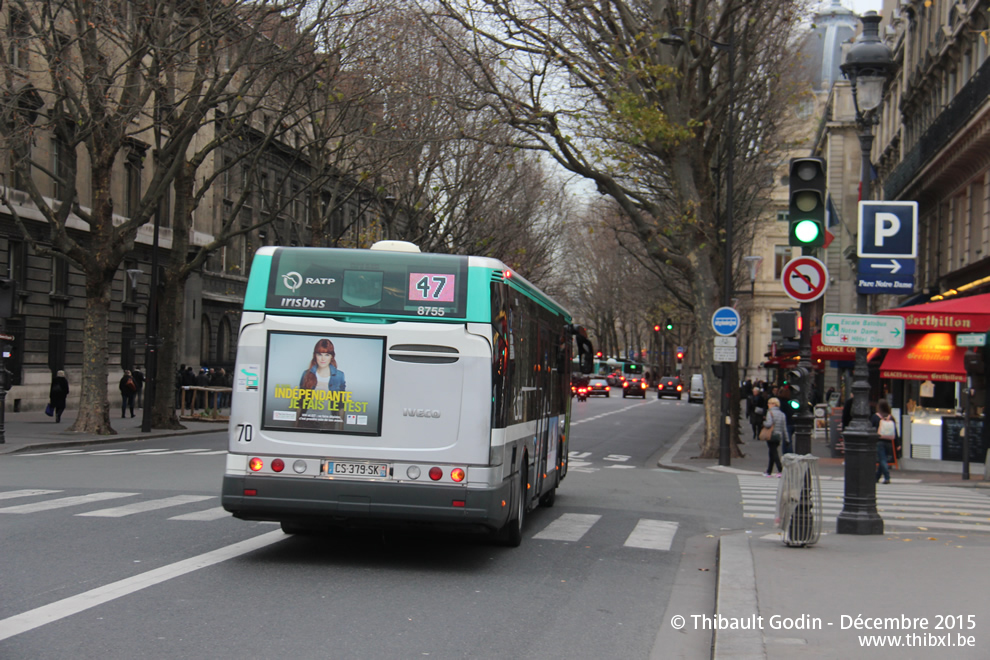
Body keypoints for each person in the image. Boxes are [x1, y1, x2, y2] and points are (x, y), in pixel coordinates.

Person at [872, 399, 898, 484]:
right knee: (883, 459)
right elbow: (895, 431)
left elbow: (871, 428)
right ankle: (877, 477)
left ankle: (887, 477)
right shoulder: (891, 417)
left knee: (882, 459)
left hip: (879, 441)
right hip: (889, 441)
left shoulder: (876, 417)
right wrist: (898, 443)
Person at [762, 397, 788, 477]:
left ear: (773, 404)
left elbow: (769, 424)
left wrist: (764, 423)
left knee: (774, 453)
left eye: (769, 403)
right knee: (772, 453)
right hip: (778, 435)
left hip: (771, 435)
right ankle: (769, 471)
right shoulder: (782, 414)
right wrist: (787, 438)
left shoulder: (770, 413)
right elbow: (784, 427)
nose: (768, 405)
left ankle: (780, 469)